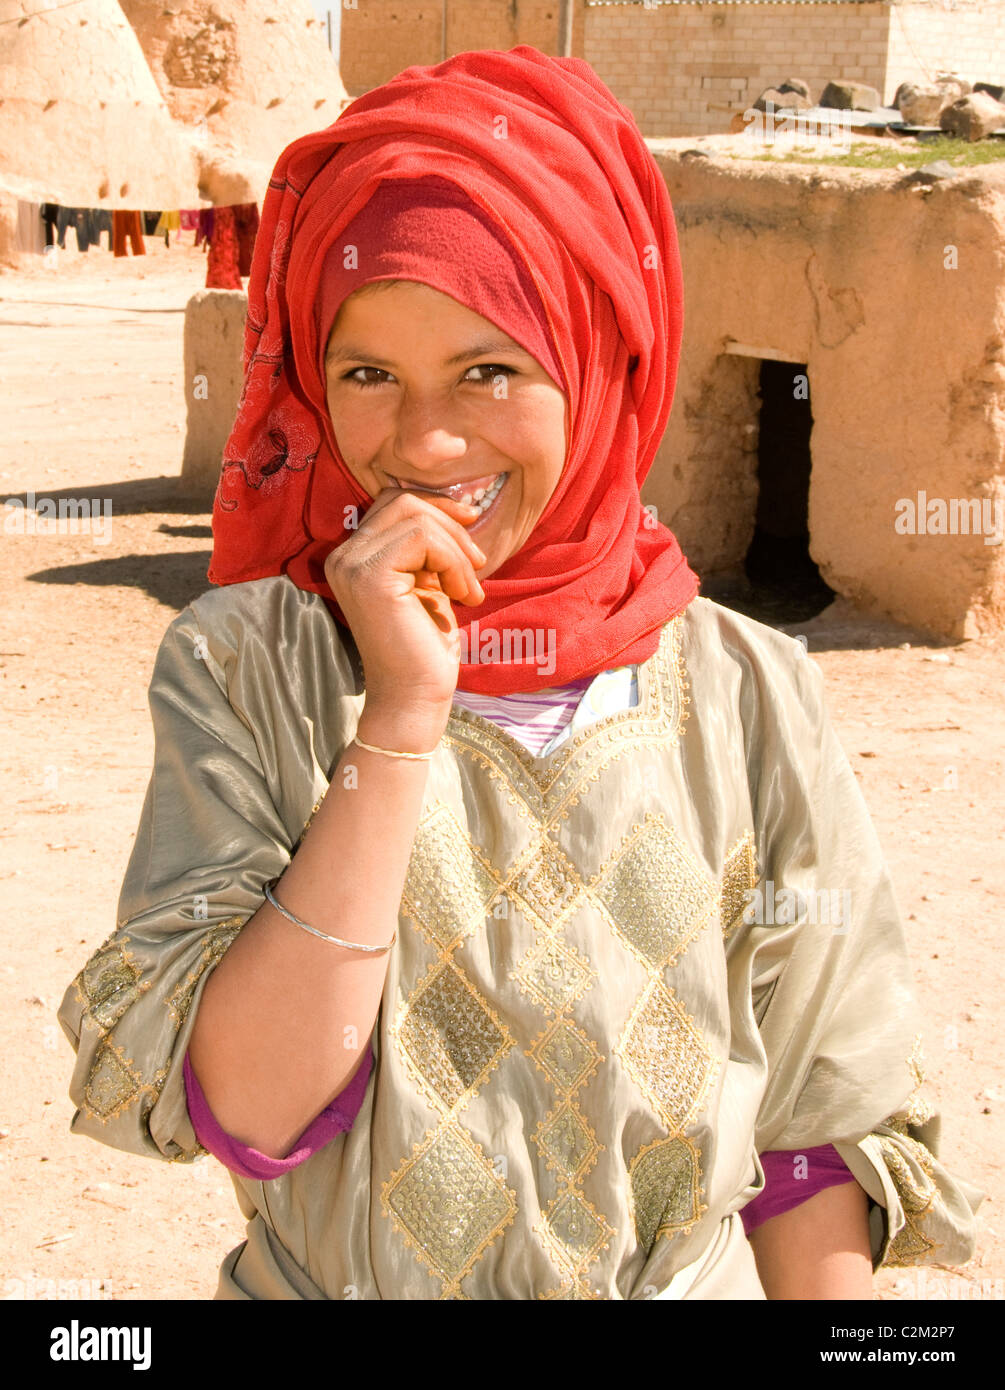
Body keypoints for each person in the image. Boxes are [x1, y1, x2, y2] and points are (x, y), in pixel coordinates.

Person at [57, 46, 981, 1301]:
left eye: (491, 371)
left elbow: (813, 1125)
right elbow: (254, 1107)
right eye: (366, 373)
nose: (424, 444)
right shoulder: (247, 672)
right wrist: (397, 716)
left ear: (603, 366)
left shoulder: (751, 696)